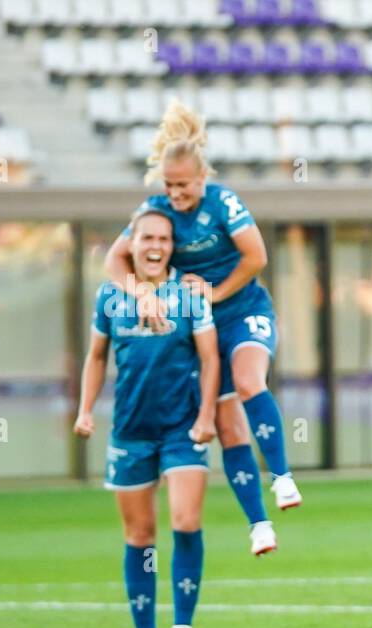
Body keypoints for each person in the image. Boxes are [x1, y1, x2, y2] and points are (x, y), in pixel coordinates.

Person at [104, 100, 299, 559]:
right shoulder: (156, 210)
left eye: (184, 186)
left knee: (251, 381)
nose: (176, 194)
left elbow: (256, 257)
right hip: (204, 327)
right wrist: (141, 293)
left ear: (201, 178)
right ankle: (259, 525)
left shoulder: (223, 201)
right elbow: (114, 259)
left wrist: (213, 292)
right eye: (170, 186)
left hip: (243, 309)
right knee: (229, 429)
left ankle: (283, 476)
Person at [74, 209, 219, 628]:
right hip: (130, 433)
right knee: (140, 534)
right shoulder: (110, 297)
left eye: (164, 238)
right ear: (130, 245)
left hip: (182, 429)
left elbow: (211, 359)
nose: (156, 246)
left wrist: (206, 415)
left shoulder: (191, 295)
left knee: (186, 520)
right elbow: (97, 357)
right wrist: (84, 410)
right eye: (147, 238)